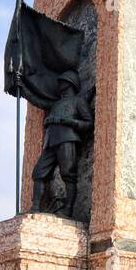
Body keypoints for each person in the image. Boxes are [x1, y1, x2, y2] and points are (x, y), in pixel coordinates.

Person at [32, 69, 94, 214]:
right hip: (51, 141)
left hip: (67, 139)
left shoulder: (78, 101)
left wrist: (68, 122)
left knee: (68, 174)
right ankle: (35, 207)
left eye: (62, 82)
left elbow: (88, 123)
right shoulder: (56, 104)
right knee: (38, 173)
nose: (59, 84)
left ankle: (68, 210)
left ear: (69, 83)